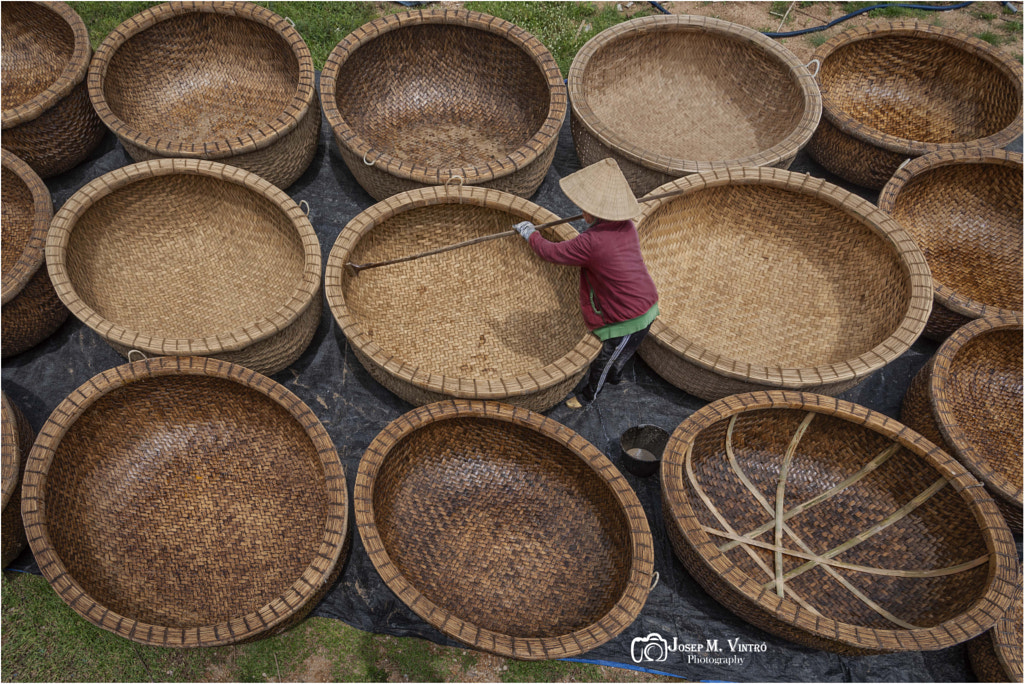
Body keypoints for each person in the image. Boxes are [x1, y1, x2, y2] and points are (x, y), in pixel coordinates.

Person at [513, 158, 658, 408]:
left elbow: (552, 253)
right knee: (622, 353)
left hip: (631, 316)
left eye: (584, 209)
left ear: (594, 212)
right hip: (646, 301)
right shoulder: (626, 227)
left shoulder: (590, 243)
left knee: (606, 358)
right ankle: (615, 374)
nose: (581, 212)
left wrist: (531, 235)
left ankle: (590, 395)